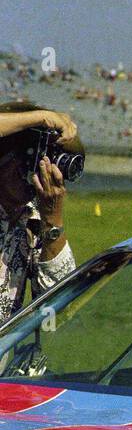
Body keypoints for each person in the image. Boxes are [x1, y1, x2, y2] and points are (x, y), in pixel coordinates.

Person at [0, 103, 80, 324]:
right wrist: (40, 118)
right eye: (28, 162)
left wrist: (52, 218)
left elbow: (59, 308)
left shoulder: (32, 221)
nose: (36, 172)